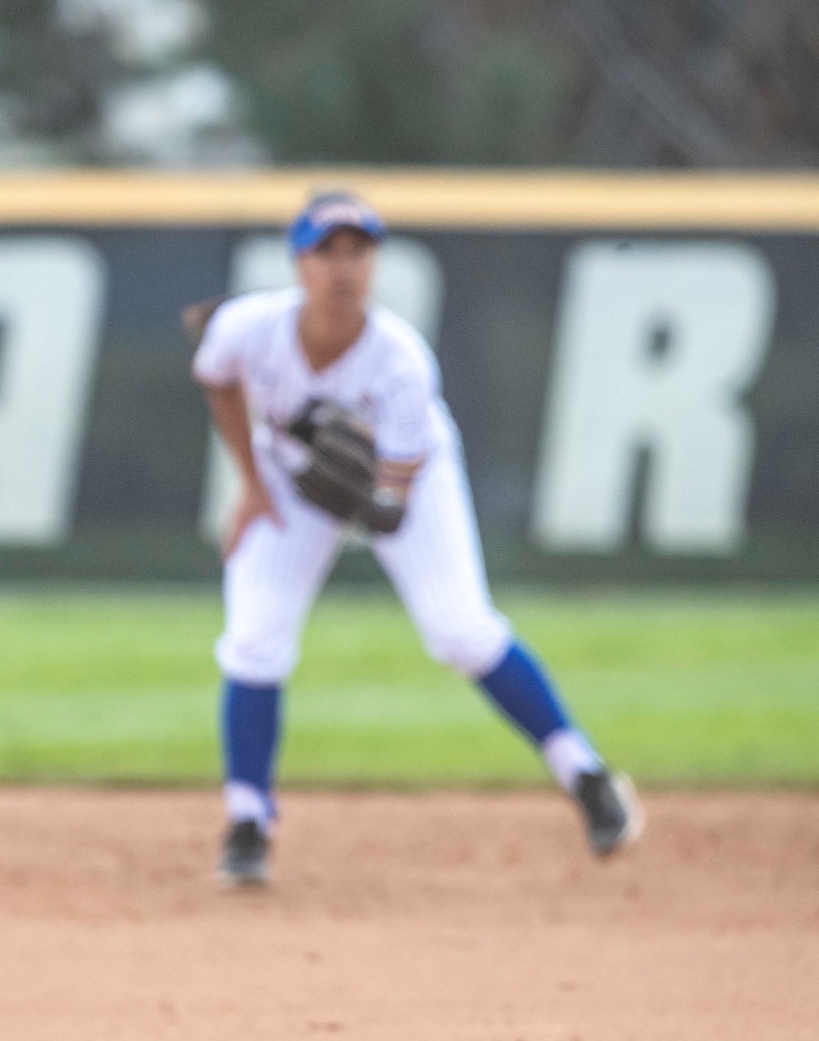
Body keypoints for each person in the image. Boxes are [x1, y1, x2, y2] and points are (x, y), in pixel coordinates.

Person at [190, 191, 641, 887]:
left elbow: (387, 510)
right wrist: (251, 485)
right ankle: (248, 821)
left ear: (375, 261)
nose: (343, 266)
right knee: (254, 636)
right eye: (326, 250)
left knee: (461, 630)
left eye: (358, 249)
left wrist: (356, 494)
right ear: (299, 262)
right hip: (288, 476)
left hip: (409, 482)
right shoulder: (249, 327)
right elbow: (218, 380)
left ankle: (586, 775)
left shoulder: (401, 361)